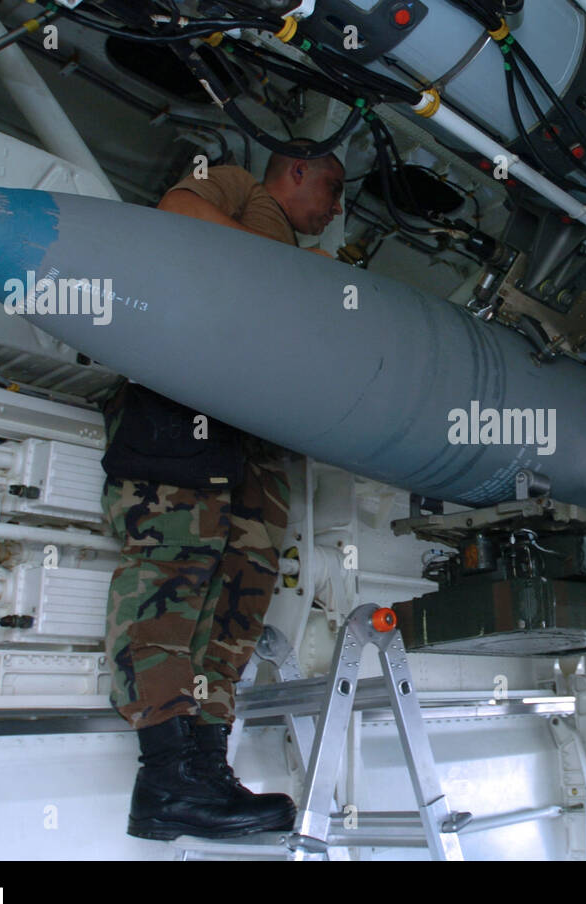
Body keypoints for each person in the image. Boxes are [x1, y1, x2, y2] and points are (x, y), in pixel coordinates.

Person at [100, 141, 345, 840]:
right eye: (330, 191)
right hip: (186, 400)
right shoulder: (235, 182)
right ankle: (166, 770)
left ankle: (203, 765)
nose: (331, 212)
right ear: (295, 171)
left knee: (240, 591)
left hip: (251, 431)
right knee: (173, 565)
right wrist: (296, 268)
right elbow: (177, 210)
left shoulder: (303, 255)